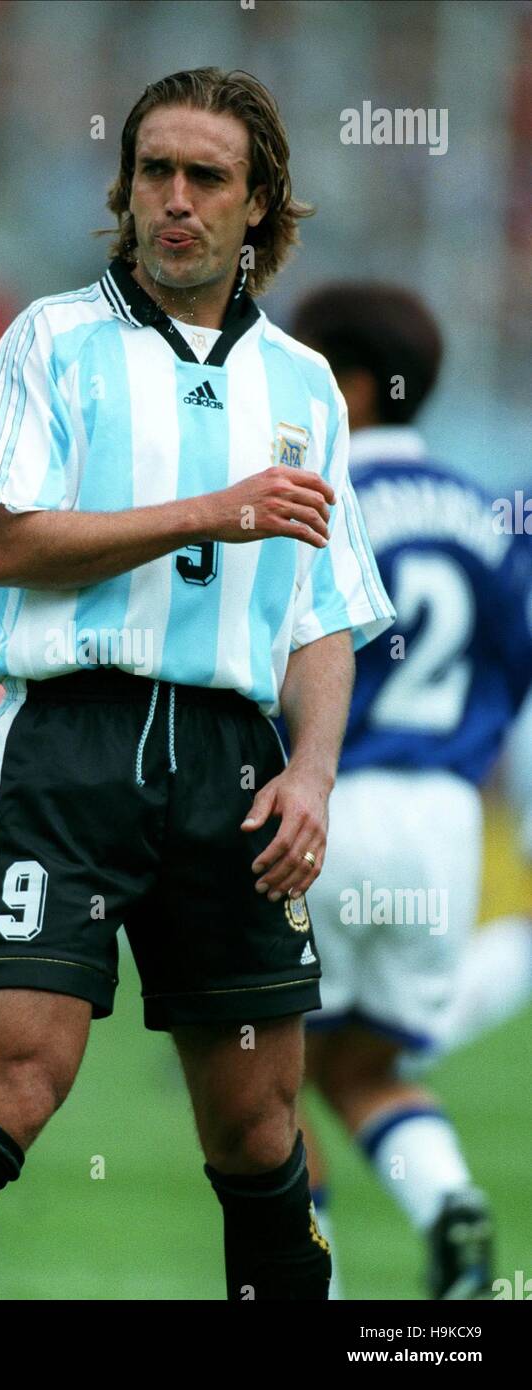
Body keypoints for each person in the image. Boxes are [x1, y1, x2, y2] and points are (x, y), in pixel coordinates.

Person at [0, 67, 393, 1302]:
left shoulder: (304, 385)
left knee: (261, 1128)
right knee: (12, 1081)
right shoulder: (51, 341)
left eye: (206, 177)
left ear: (258, 203)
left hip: (233, 764)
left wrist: (310, 769)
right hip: (71, 746)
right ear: (124, 185)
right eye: (154, 170)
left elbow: (325, 613)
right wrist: (210, 509)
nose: (175, 200)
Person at [289, 283, 532, 1299]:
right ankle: (448, 1210)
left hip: (323, 803)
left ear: (346, 386)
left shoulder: (309, 503)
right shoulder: (485, 515)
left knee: (260, 1075)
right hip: (441, 824)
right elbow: (511, 668)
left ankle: (315, 1292)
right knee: (362, 1069)